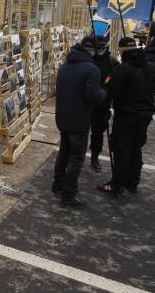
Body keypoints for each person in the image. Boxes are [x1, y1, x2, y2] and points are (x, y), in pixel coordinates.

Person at [97, 37, 155, 195]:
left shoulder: (122, 69)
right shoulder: (152, 68)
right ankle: (133, 181)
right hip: (145, 116)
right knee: (136, 148)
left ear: (123, 51)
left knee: (121, 150)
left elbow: (109, 90)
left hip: (125, 116)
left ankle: (117, 183)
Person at [52, 36, 107, 207]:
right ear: (92, 50)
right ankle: (68, 195)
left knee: (64, 152)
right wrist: (104, 93)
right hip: (79, 120)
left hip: (63, 117)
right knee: (76, 158)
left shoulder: (65, 66)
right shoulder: (92, 69)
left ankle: (58, 184)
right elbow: (93, 96)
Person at [89, 35, 119, 172]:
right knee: (80, 132)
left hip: (102, 104)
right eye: (98, 46)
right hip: (86, 103)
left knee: (98, 133)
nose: (100, 49)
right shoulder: (88, 60)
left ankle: (95, 157)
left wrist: (107, 94)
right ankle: (75, 156)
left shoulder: (112, 62)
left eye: (103, 46)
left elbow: (116, 82)